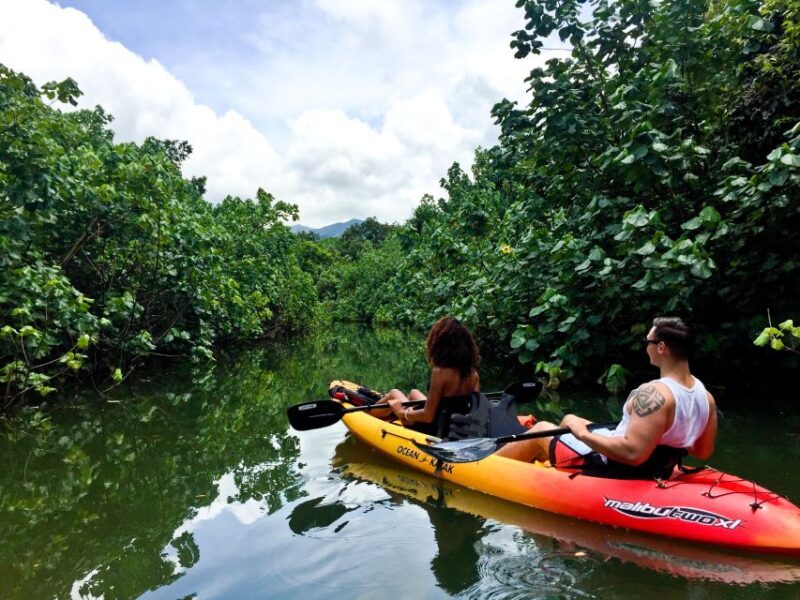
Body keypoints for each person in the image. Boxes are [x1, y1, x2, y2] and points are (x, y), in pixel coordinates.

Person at [496, 317, 717, 478]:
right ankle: (552, 463)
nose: (645, 348)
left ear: (661, 347)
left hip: (614, 468)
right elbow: (702, 451)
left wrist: (582, 434)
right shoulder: (705, 397)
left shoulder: (654, 394)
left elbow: (633, 454)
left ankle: (483, 469)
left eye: (646, 342)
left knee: (540, 429)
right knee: (573, 419)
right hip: (659, 468)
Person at [373, 316, 481, 437]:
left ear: (441, 343)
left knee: (394, 393)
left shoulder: (440, 372)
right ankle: (398, 416)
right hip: (453, 426)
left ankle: (366, 416)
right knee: (414, 393)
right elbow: (475, 411)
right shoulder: (473, 374)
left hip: (435, 429)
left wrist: (402, 412)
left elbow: (428, 416)